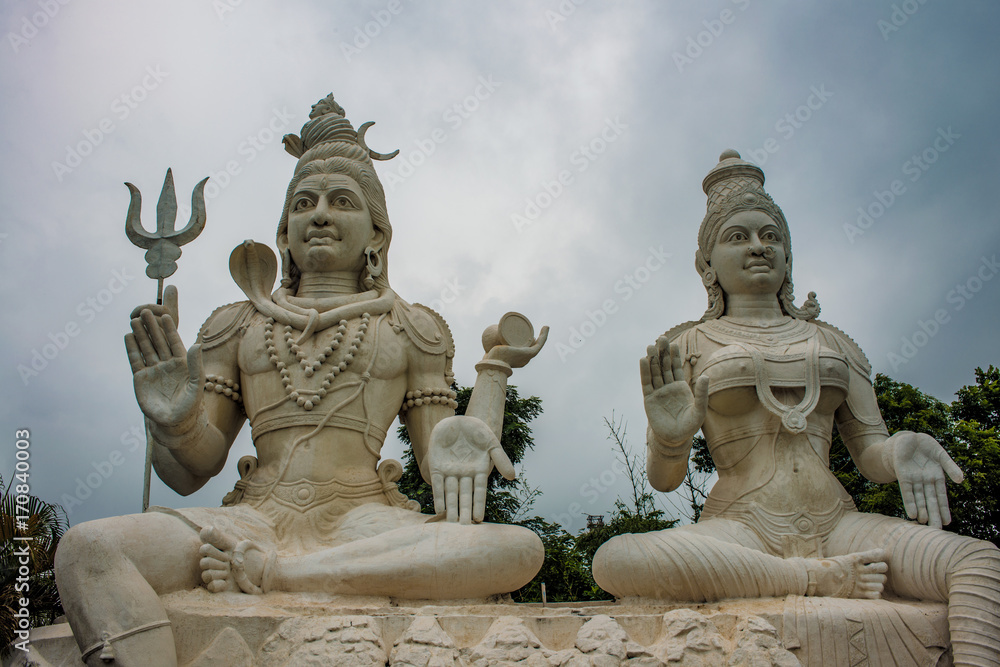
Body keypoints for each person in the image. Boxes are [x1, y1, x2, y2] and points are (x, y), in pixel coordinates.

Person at [54, 95, 547, 667]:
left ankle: (287, 575)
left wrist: (491, 377)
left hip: (364, 523)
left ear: (377, 236)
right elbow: (188, 475)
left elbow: (445, 481)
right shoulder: (236, 324)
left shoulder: (413, 329)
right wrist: (177, 424)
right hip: (249, 521)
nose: (320, 215)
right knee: (87, 549)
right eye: (304, 203)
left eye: (342, 201)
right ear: (284, 234)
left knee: (518, 549)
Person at [592, 150, 1000, 666]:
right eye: (737, 237)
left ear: (788, 254)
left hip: (840, 525)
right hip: (740, 529)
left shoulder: (832, 343)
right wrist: (671, 439)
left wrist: (901, 449)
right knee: (617, 558)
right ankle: (810, 578)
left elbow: (871, 456)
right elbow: (665, 481)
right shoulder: (687, 346)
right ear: (706, 264)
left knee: (979, 561)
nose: (758, 247)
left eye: (771, 236)